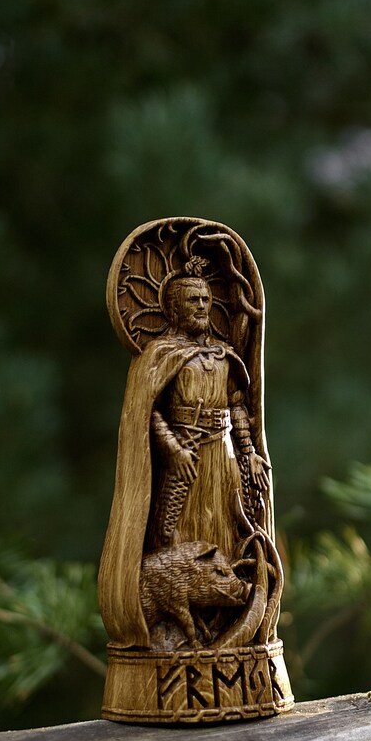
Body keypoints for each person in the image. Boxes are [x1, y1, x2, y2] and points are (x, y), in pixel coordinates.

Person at [99, 262, 274, 651]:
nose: (202, 306)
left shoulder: (224, 355)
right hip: (185, 455)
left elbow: (237, 405)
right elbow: (148, 410)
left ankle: (222, 619)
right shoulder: (161, 355)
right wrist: (173, 448)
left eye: (206, 299)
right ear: (174, 309)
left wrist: (249, 453)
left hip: (223, 458)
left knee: (226, 530)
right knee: (173, 533)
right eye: (192, 300)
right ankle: (178, 626)